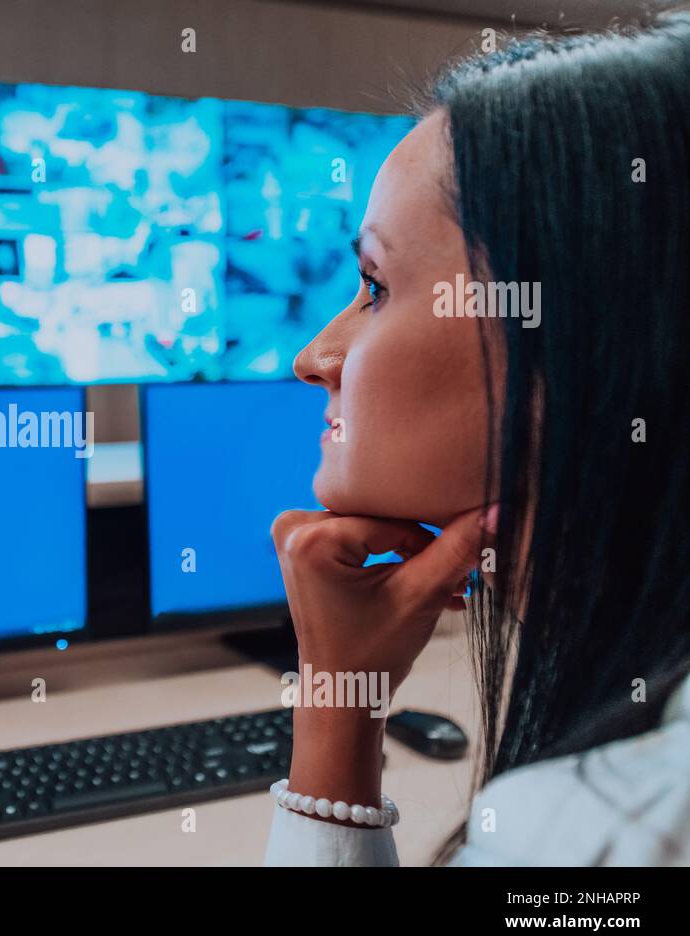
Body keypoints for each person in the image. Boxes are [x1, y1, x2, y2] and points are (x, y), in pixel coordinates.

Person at [263, 11, 690, 866]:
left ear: (575, 333)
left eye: (376, 288)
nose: (314, 358)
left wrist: (332, 712)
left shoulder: (600, 829)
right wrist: (342, 708)